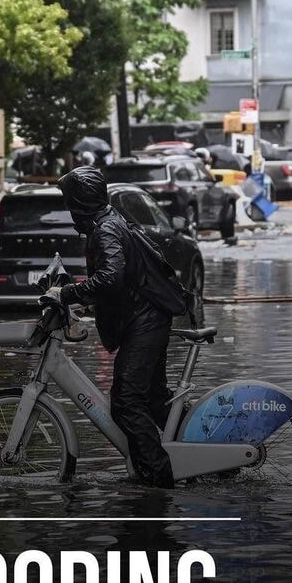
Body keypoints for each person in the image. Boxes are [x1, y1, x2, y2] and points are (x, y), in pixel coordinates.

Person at [54, 165, 175, 489]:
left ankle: (158, 477)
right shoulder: (107, 221)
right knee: (153, 400)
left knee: (126, 401)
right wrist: (80, 294)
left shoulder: (105, 228)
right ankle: (200, 450)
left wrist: (68, 293)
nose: (68, 208)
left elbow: (111, 277)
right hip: (147, 318)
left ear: (80, 201)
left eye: (69, 201)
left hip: (144, 322)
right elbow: (115, 280)